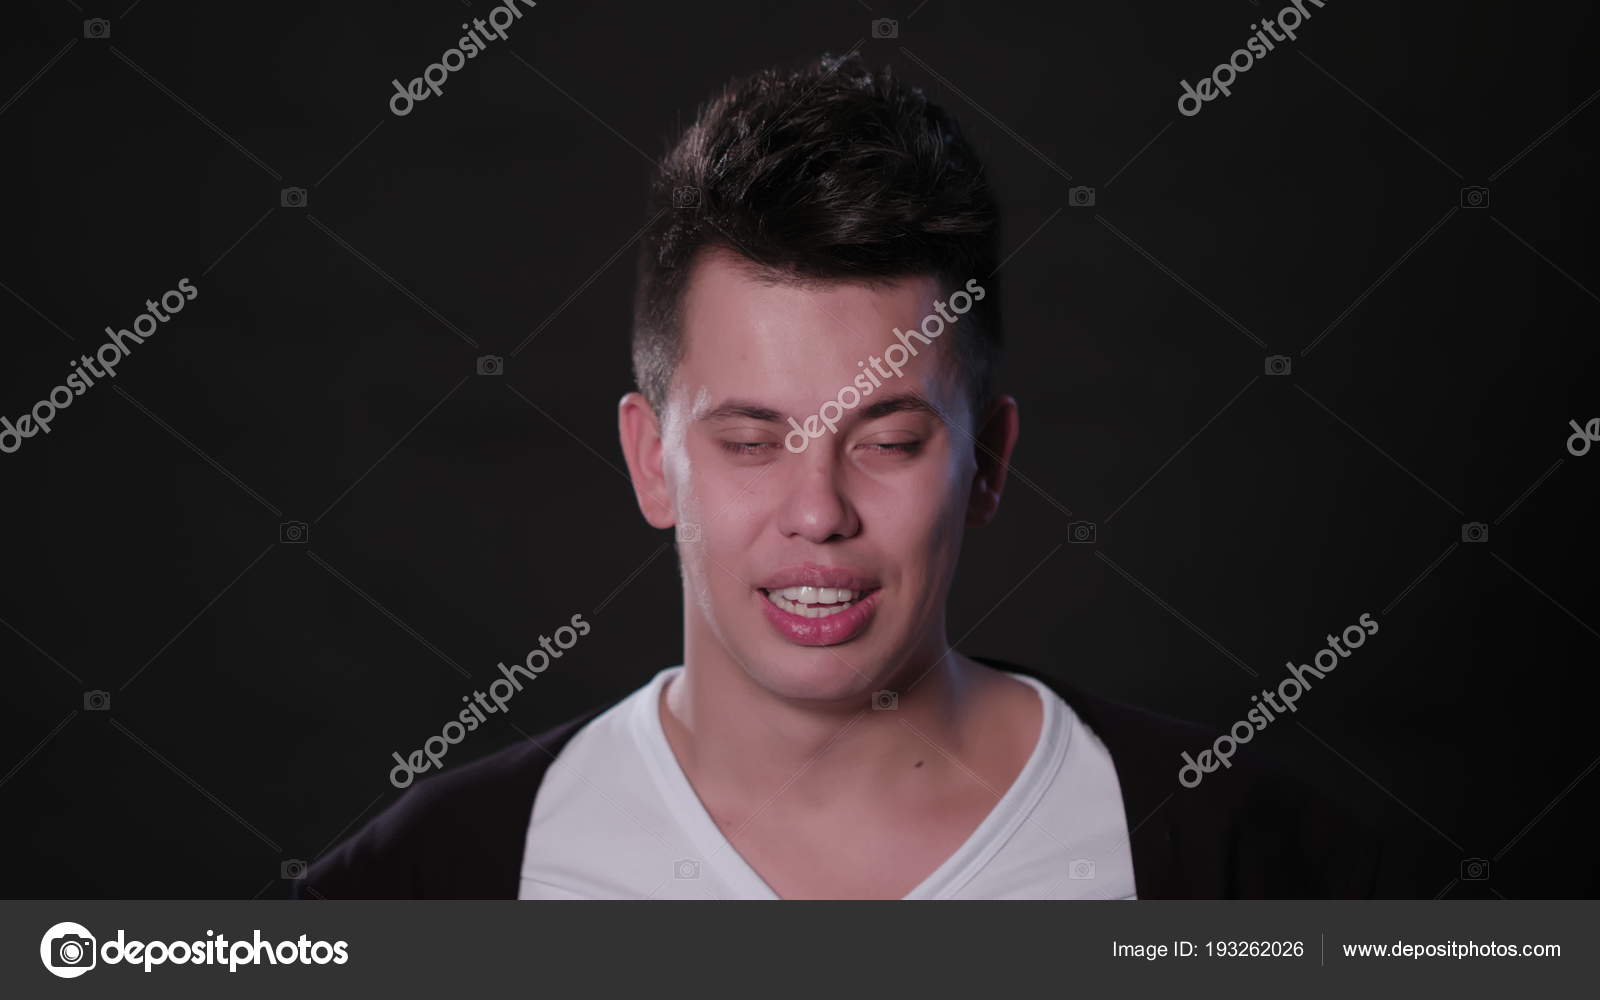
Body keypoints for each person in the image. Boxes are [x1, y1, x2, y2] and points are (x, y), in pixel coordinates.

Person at [299, 53, 1403, 900]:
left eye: (888, 440)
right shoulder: (433, 883)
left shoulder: (1237, 857)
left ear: (988, 462)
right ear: (651, 462)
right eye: (750, 439)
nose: (818, 512)